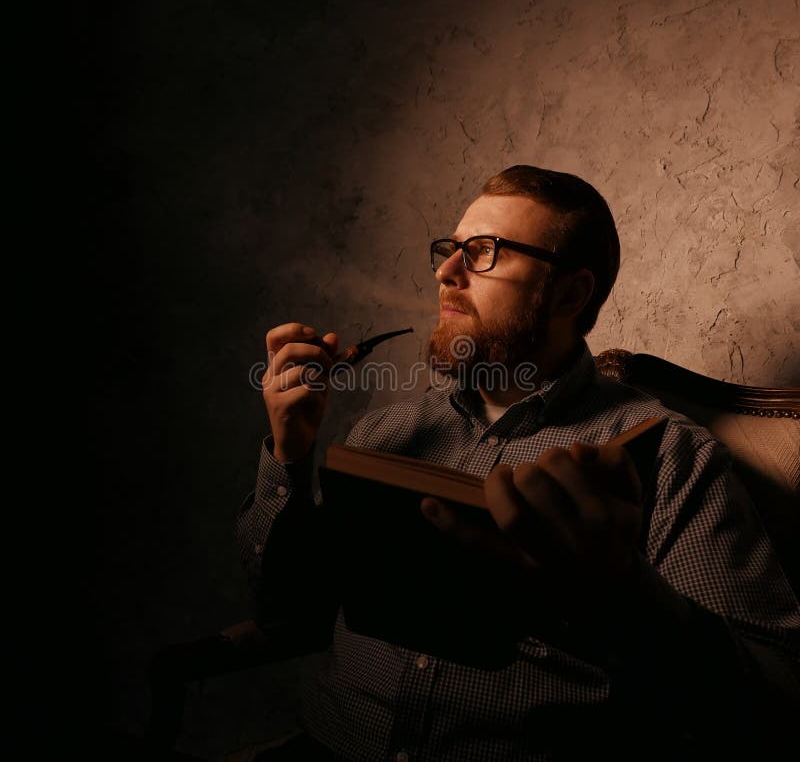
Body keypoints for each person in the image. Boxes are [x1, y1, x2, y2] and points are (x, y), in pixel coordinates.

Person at [236, 166, 799, 761]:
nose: (445, 272)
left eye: (484, 253)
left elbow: (777, 702)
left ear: (569, 294)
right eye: (452, 249)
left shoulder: (665, 458)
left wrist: (624, 593)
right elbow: (284, 608)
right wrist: (289, 452)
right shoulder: (386, 433)